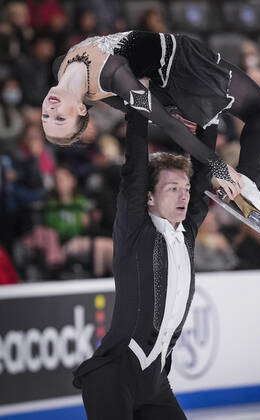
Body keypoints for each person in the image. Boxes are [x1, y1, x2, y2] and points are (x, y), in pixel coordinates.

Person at [41, 31, 260, 229]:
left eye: (48, 117)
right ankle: (247, 181)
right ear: (80, 111)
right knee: (259, 111)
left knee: (256, 114)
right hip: (185, 65)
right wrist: (218, 166)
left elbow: (121, 103)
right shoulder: (111, 74)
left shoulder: (61, 66)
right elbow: (157, 120)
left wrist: (164, 110)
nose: (51, 110)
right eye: (60, 119)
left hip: (170, 83)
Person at [73, 110, 213, 419]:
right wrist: (137, 107)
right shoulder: (136, 229)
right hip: (114, 378)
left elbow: (202, 177)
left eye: (185, 189)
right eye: (172, 188)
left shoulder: (186, 232)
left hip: (154, 383)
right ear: (149, 197)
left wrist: (207, 119)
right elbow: (135, 169)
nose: (184, 196)